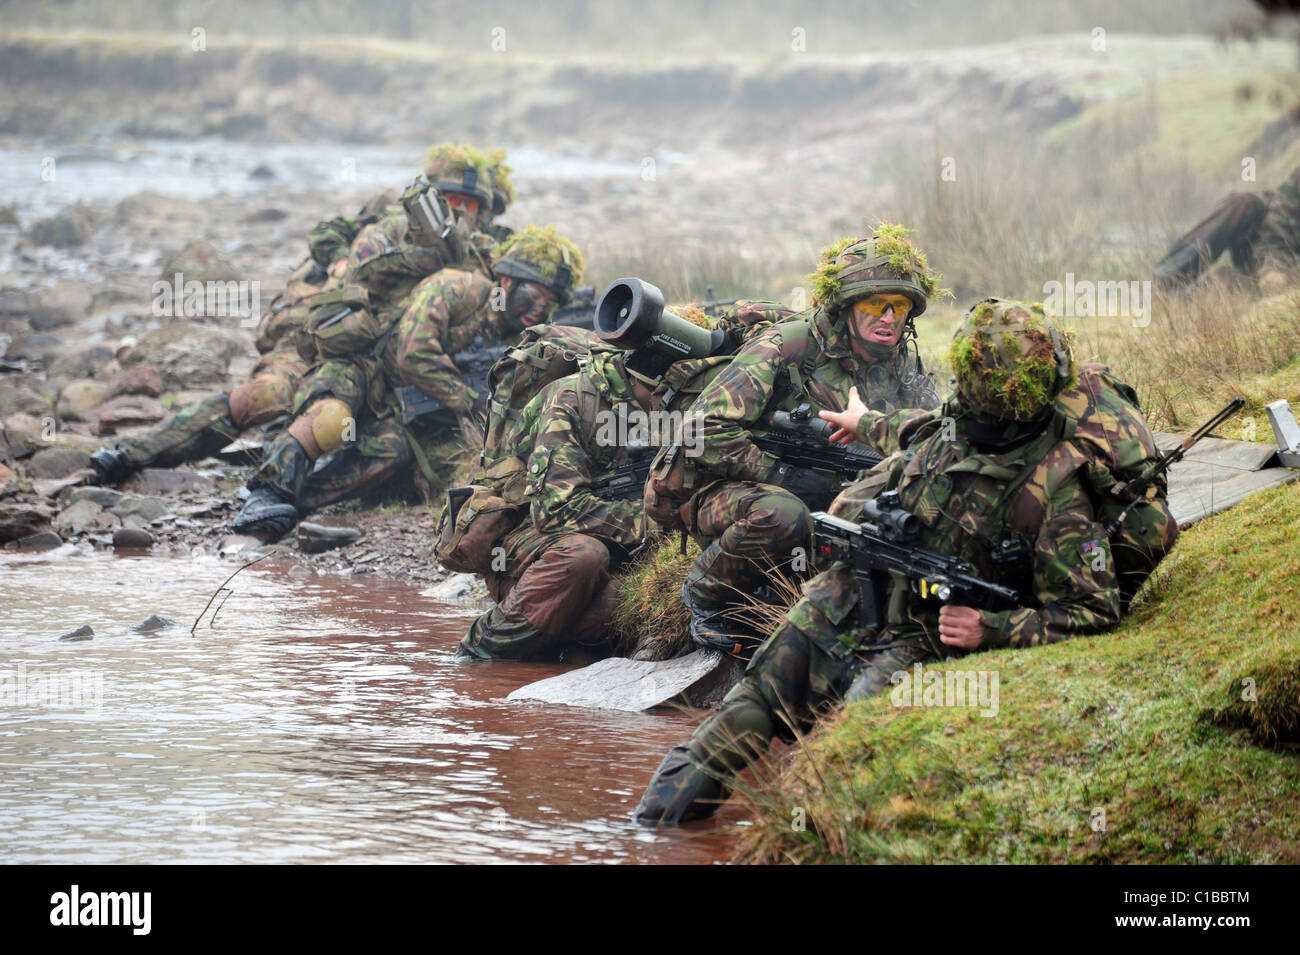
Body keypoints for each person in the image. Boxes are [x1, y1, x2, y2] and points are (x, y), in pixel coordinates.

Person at [635, 299, 1166, 826]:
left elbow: (1092, 610)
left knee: (850, 745)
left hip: (926, 629)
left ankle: (799, 835)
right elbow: (916, 427)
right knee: (751, 705)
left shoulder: (1055, 486)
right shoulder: (958, 424)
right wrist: (864, 423)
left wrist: (993, 628)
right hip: (853, 587)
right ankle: (659, 828)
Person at [644, 225, 943, 654]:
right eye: (876, 304)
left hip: (833, 486)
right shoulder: (787, 346)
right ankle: (704, 595)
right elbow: (701, 430)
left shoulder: (904, 365)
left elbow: (926, 441)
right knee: (784, 513)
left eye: (899, 306)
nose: (889, 318)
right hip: (718, 487)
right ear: (845, 307)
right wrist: (780, 472)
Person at [231, 223, 584, 538]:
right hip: (358, 367)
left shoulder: (517, 333)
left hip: (396, 403)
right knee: (330, 419)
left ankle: (298, 502)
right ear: (506, 282)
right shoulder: (455, 287)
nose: (539, 308)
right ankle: (267, 491)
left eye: (549, 303)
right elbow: (413, 353)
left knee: (393, 451)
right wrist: (468, 400)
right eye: (535, 296)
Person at [457, 345, 656, 660]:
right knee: (584, 555)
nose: (666, 401)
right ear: (638, 381)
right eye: (660, 391)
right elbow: (555, 510)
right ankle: (481, 650)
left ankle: (559, 648)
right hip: (526, 538)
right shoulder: (570, 399)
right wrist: (651, 523)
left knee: (620, 597)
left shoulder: (661, 408)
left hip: (600, 537)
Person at [1154, 164, 1300, 294]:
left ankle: (1183, 299)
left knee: (1224, 287)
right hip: (1265, 244)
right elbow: (1278, 224)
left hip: (1281, 273)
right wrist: (1273, 267)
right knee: (1243, 203)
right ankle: (1163, 281)